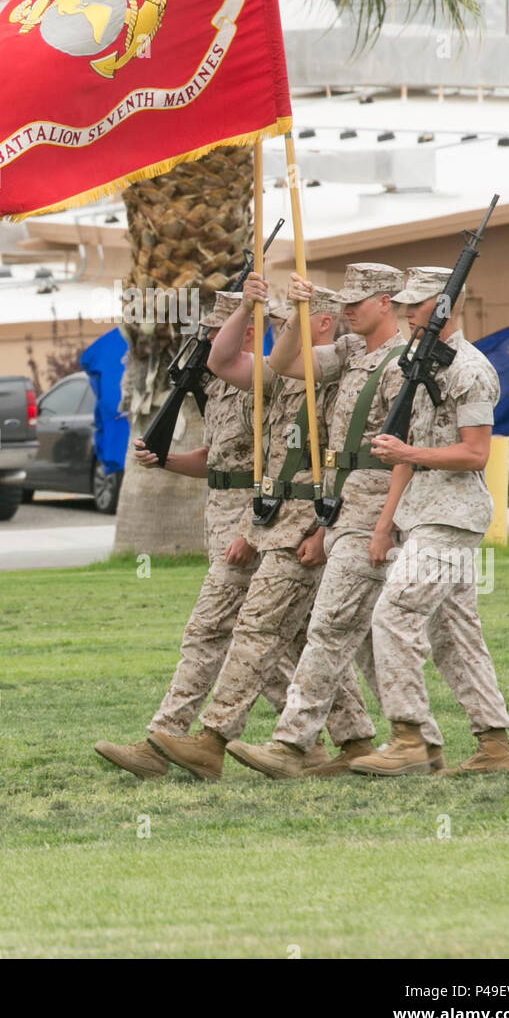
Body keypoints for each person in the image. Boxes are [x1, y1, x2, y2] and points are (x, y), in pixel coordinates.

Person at [224, 263, 445, 780]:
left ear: (386, 302)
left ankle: (290, 745)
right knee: (365, 638)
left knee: (327, 628)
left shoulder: (405, 364)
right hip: (341, 506)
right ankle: (421, 745)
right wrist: (300, 315)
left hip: (374, 508)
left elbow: (405, 456)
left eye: (358, 302)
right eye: (342, 302)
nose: (347, 309)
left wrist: (386, 525)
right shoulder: (349, 353)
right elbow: (284, 365)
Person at [149, 287, 379, 781]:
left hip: (310, 521)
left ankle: (212, 740)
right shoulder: (278, 376)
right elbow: (223, 359)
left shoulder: (342, 369)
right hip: (273, 521)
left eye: (288, 321)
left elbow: (343, 458)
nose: (279, 331)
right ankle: (355, 740)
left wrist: (323, 529)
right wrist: (243, 305)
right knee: (292, 635)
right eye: (274, 321)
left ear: (321, 324)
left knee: (261, 631)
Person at [94, 291, 315, 779]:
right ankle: (329, 740)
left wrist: (250, 531)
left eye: (217, 330)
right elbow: (218, 460)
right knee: (284, 643)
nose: (209, 340)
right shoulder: (217, 388)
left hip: (255, 519)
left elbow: (277, 466)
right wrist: (167, 460)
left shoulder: (267, 384)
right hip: (224, 518)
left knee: (211, 632)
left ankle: (166, 738)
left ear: (251, 332)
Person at [348, 267, 509, 776]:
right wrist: (386, 522)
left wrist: (408, 451)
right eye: (402, 303)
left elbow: (475, 454)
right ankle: (494, 747)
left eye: (416, 304)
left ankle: (409, 738)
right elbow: (405, 454)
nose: (404, 312)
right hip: (420, 513)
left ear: (445, 306)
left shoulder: (471, 370)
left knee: (393, 614)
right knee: (455, 635)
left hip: (452, 515)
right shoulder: (417, 364)